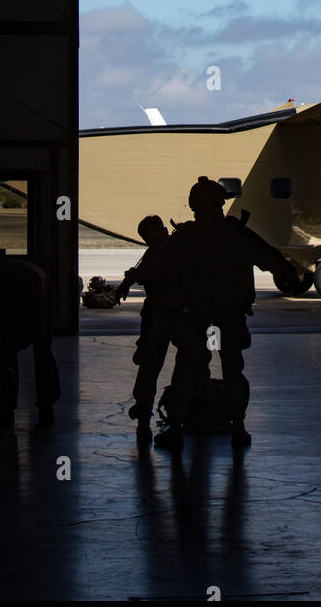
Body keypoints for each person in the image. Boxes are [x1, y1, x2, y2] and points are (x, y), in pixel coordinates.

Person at [169, 177, 299, 450]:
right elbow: (270, 259)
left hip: (196, 316)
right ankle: (237, 426)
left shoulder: (186, 237)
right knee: (232, 371)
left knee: (187, 370)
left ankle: (179, 427)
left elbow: (165, 275)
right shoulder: (235, 234)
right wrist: (288, 275)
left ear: (195, 205)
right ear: (220, 203)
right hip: (228, 315)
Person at [115, 214, 208, 447]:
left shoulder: (164, 251)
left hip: (165, 316)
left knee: (152, 368)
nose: (149, 239)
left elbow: (148, 273)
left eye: (149, 234)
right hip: (176, 317)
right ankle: (166, 419)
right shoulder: (168, 248)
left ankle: (150, 418)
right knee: (167, 368)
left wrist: (129, 280)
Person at [0, 258, 61, 428]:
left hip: (18, 291)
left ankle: (6, 411)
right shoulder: (36, 282)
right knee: (42, 353)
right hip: (28, 289)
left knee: (9, 355)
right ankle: (45, 409)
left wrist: (5, 344)